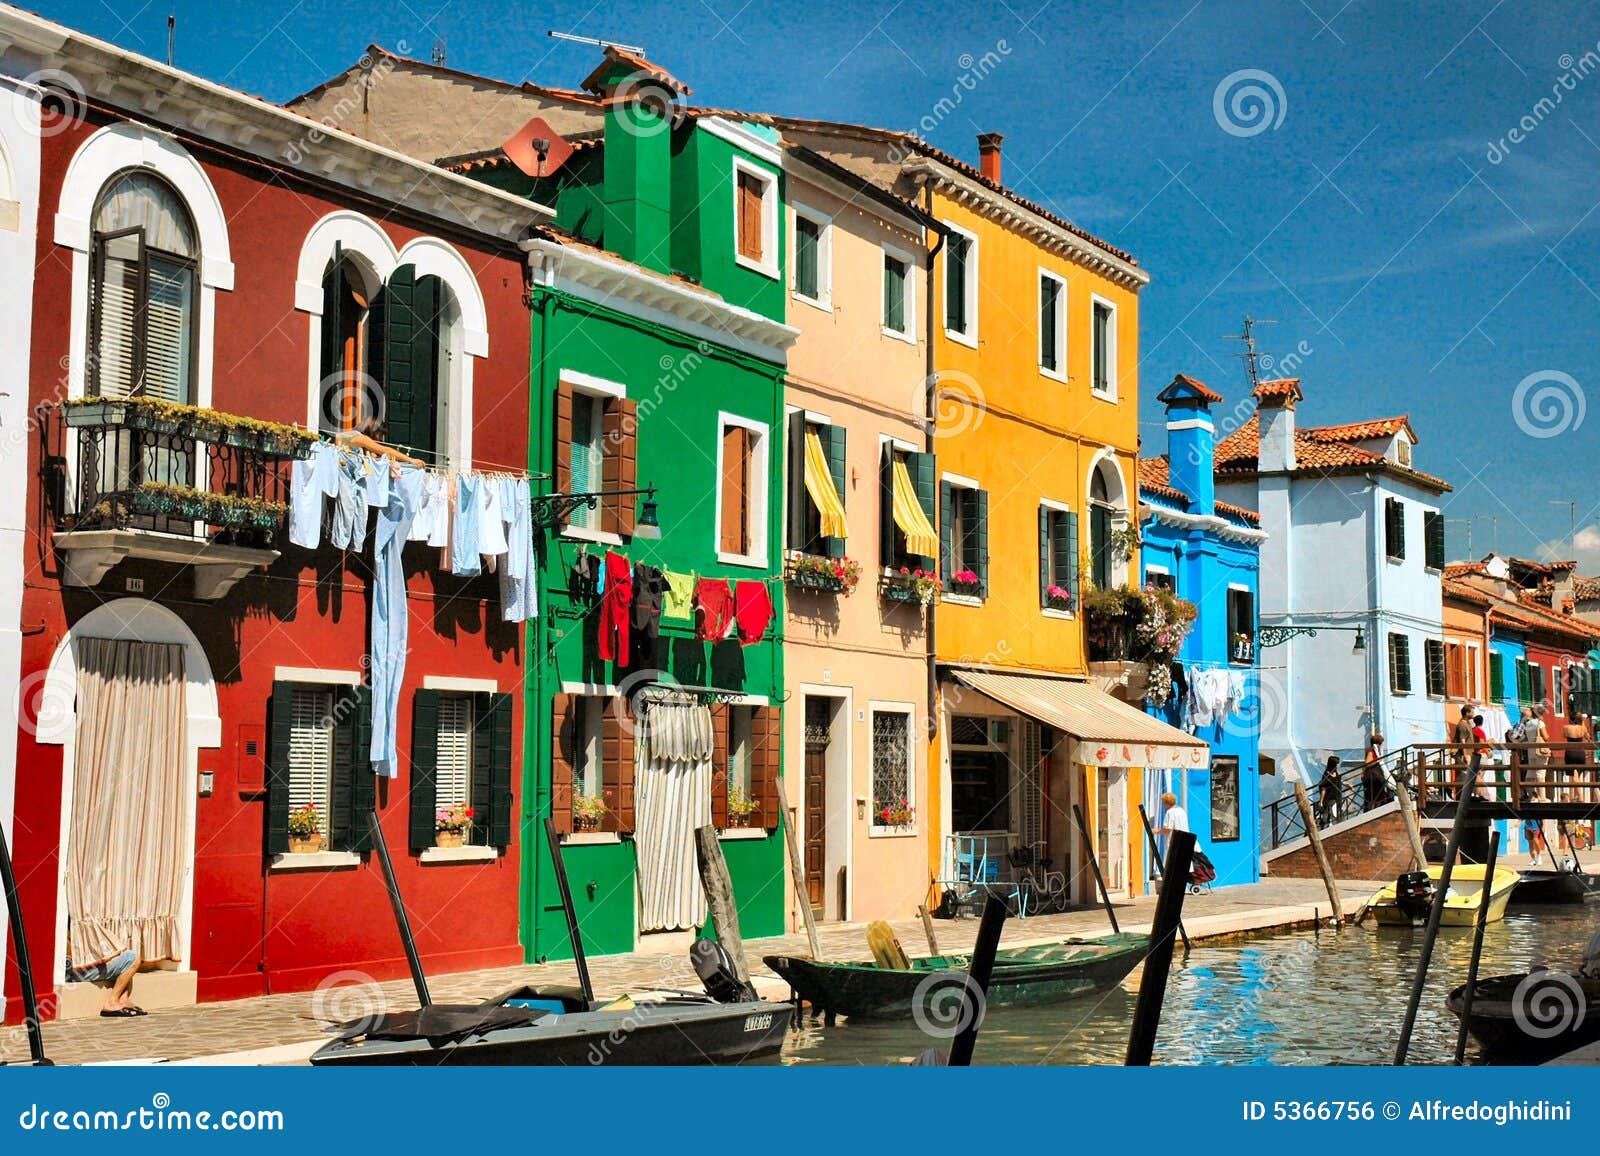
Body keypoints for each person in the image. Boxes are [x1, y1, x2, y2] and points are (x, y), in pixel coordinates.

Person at [66, 944, 146, 1017]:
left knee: (120, 952)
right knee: (132, 957)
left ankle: (123, 999)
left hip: (70, 970)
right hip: (76, 971)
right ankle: (112, 1002)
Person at [1362, 732, 1391, 811]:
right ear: (1378, 744)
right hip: (1373, 777)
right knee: (1373, 797)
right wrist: (1377, 761)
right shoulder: (1371, 751)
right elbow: (1367, 763)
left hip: (1375, 777)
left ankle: (1375, 810)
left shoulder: (1375, 751)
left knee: (1378, 797)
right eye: (1381, 743)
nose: (1381, 745)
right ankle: (1372, 812)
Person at [1316, 755, 1343, 828]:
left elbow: (1339, 781)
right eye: (1336, 764)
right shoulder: (1326, 775)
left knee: (1335, 812)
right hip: (1329, 797)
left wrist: (1347, 784)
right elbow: (1324, 788)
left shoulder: (1336, 773)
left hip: (1336, 796)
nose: (1337, 766)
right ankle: (1330, 826)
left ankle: (1332, 825)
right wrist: (1321, 801)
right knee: (1331, 813)